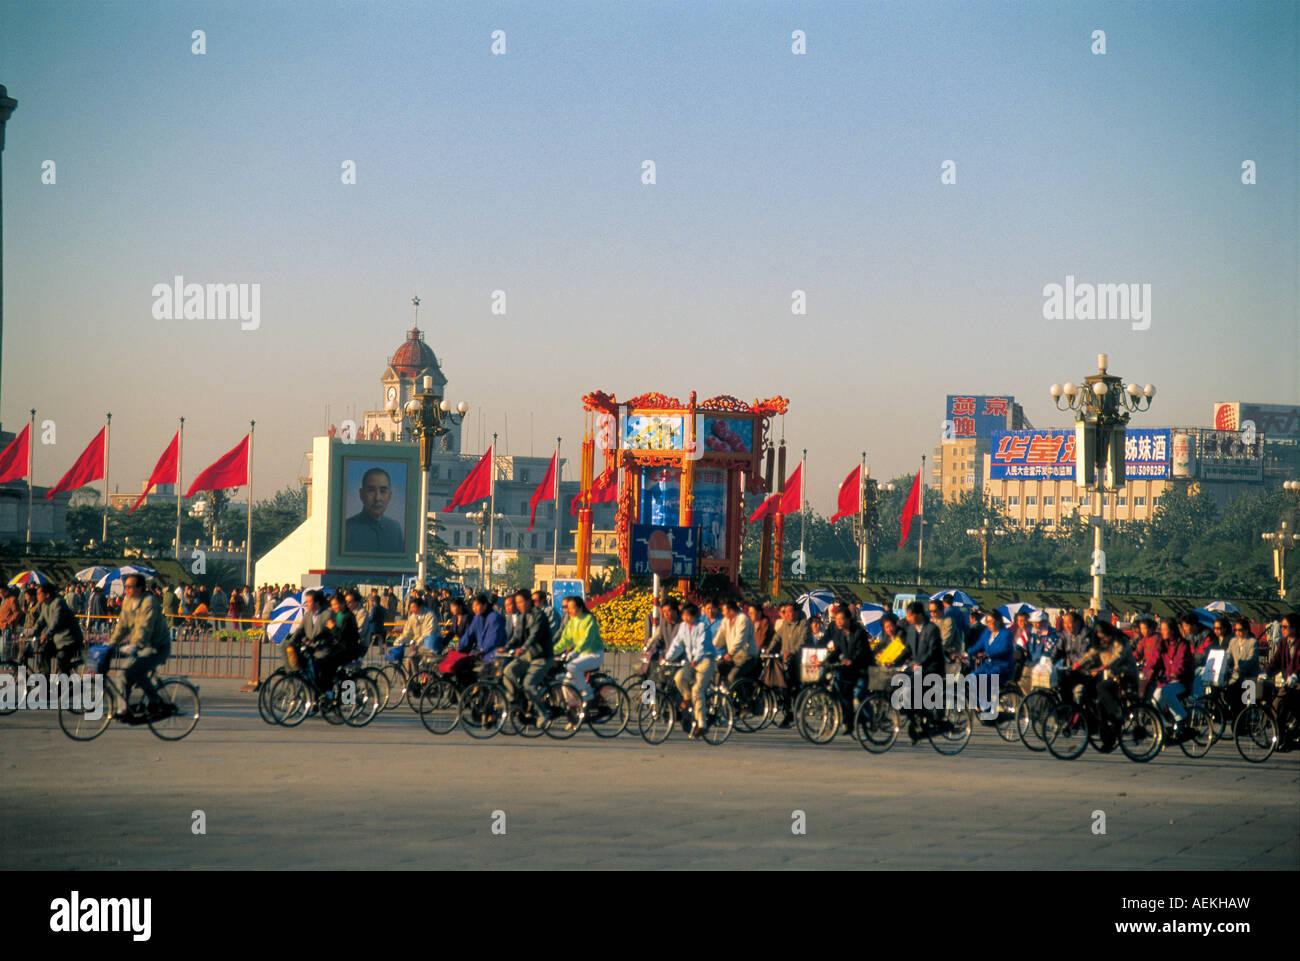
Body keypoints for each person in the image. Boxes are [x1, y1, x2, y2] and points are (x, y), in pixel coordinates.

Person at [108, 573, 172, 718]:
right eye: (126, 587)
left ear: (140, 588)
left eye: (130, 587)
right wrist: (111, 644)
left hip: (157, 647)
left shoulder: (149, 602)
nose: (127, 590)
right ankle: (124, 710)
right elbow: (122, 626)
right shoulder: (127, 602)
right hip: (141, 646)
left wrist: (134, 645)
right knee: (125, 674)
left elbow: (145, 627)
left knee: (131, 671)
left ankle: (155, 701)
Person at [662, 602, 718, 739]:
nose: (686, 619)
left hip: (705, 660)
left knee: (697, 690)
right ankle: (686, 698)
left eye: (689, 616)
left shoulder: (702, 626)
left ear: (695, 616)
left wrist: (697, 658)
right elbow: (677, 644)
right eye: (684, 616)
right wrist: (668, 658)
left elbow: (702, 645)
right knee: (679, 677)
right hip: (691, 661)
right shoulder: (683, 627)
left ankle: (702, 724)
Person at [501, 589, 553, 725]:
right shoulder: (523, 616)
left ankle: (543, 714)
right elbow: (517, 636)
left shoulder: (539, 615)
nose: (518, 605)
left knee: (528, 685)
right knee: (507, 671)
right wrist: (506, 647)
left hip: (541, 656)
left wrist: (523, 648)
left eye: (520, 602)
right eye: (516, 603)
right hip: (528, 655)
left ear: (529, 601)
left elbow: (534, 636)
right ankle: (515, 700)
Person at [821, 603, 874, 720]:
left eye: (841, 619)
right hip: (849, 669)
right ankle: (847, 716)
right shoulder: (840, 633)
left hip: (862, 669)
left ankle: (870, 718)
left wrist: (851, 660)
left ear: (849, 619)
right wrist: (826, 661)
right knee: (839, 688)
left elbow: (861, 652)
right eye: (836, 619)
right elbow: (837, 651)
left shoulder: (859, 632)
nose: (838, 622)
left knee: (858, 694)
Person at [552, 595, 604, 707]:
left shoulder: (589, 619)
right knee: (565, 683)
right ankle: (574, 708)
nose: (569, 610)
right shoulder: (572, 622)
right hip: (580, 656)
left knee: (572, 666)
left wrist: (576, 651)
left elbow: (587, 639)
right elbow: (564, 640)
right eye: (567, 608)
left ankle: (586, 692)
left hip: (594, 654)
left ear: (580, 607)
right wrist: (551, 651)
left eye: (572, 607)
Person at [1151, 617, 1195, 741]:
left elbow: (1182, 663)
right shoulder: (1163, 644)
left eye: (1165, 629)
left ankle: (1181, 717)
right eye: (1161, 629)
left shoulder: (1183, 644)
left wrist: (1174, 674)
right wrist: (1146, 672)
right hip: (1168, 681)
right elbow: (1154, 660)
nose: (1162, 631)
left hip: (1182, 681)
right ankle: (1165, 725)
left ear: (1172, 630)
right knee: (1155, 699)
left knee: (1166, 692)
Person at [344, 467, 405, 552]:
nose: (377, 498)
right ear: (361, 494)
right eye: (371, 491)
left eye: (383, 491)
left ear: (390, 495)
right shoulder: (347, 529)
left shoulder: (395, 529)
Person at [965, 610, 1015, 711]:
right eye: (987, 622)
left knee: (984, 679)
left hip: (1002, 667)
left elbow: (1004, 649)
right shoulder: (987, 632)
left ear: (998, 622)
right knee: (972, 677)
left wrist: (988, 654)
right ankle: (983, 703)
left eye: (990, 621)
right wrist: (967, 654)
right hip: (988, 665)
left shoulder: (1006, 634)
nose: (988, 624)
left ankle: (988, 708)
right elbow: (979, 645)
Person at [771, 602, 811, 726]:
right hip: (785, 660)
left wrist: (792, 652)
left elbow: (802, 641)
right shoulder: (785, 624)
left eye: (790, 611)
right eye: (786, 612)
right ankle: (789, 710)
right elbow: (776, 638)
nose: (788, 614)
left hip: (798, 661)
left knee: (790, 686)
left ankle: (791, 713)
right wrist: (768, 650)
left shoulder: (803, 624)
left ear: (797, 612)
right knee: (783, 686)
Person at [36, 582, 84, 675]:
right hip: (57, 640)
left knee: (61, 660)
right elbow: (39, 622)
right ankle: (45, 678)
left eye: (39, 594)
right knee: (42, 651)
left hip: (70, 639)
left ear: (47, 595)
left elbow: (56, 622)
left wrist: (46, 634)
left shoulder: (58, 603)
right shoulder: (44, 605)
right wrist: (29, 633)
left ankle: (67, 685)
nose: (37, 596)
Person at [1263, 612, 1300, 731]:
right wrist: (1266, 673)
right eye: (1281, 627)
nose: (1282, 630)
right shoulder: (1284, 643)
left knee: (1280, 703)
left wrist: (1296, 676)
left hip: (1297, 682)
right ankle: (1281, 735)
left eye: (1285, 627)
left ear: (1294, 627)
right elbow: (1276, 661)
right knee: (1276, 704)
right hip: (1288, 682)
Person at [715, 598, 758, 687]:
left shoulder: (743, 619)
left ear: (731, 611)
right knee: (716, 671)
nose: (722, 613)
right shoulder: (725, 621)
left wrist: (730, 653)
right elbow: (719, 638)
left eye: (724, 611)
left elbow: (740, 639)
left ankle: (742, 698)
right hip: (733, 657)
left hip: (747, 656)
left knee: (732, 677)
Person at [285, 590, 331, 671]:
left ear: (317, 603)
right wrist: (291, 641)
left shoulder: (326, 615)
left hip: (321, 649)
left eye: (309, 601)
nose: (307, 604)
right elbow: (300, 630)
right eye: (306, 601)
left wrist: (318, 643)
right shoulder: (307, 615)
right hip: (309, 648)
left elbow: (329, 635)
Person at [393, 596, 438, 674]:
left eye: (414, 607)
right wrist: (398, 641)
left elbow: (429, 632)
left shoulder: (430, 615)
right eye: (410, 607)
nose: (412, 610)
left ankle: (417, 678)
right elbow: (407, 633)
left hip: (432, 645)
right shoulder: (412, 618)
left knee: (421, 662)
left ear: (421, 607)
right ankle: (411, 681)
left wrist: (416, 642)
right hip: (419, 646)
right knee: (409, 659)